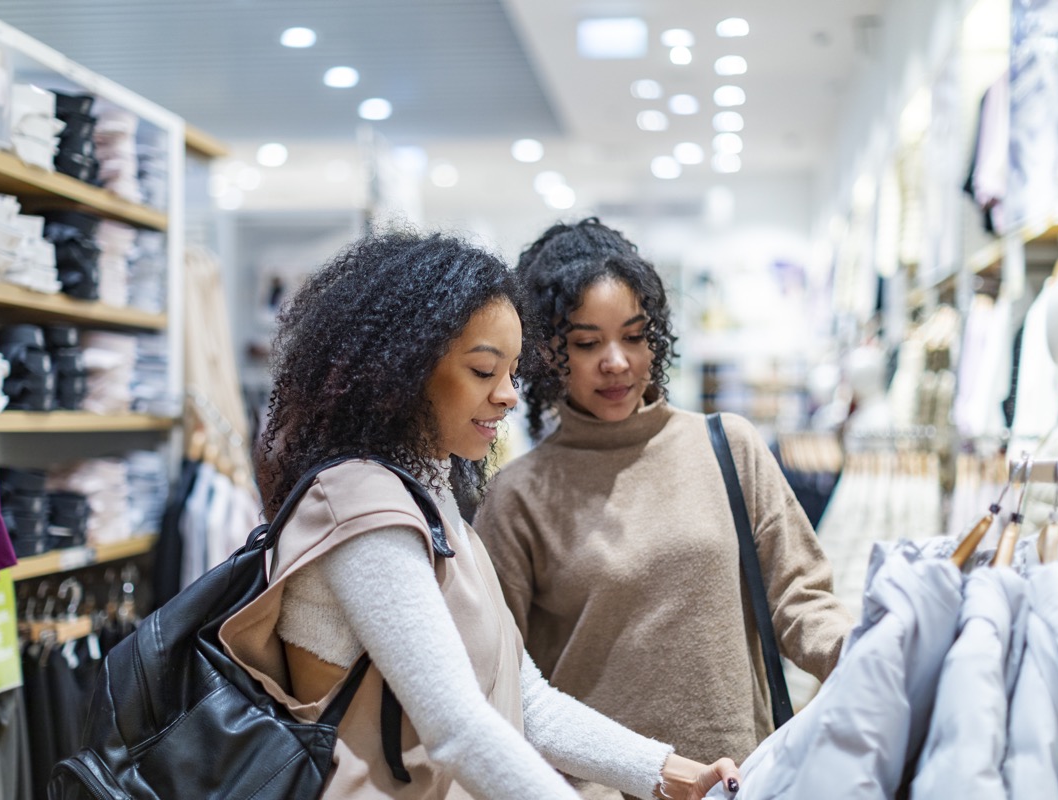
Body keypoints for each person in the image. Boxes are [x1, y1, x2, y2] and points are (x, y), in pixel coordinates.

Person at [219, 228, 741, 800]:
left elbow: (525, 697)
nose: (509, 395)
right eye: (483, 370)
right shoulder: (362, 510)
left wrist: (668, 773)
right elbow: (458, 730)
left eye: (513, 372)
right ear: (404, 369)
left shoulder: (430, 498)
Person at [473, 219, 855, 792]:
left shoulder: (727, 445)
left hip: (740, 781)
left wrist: (864, 653)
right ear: (548, 353)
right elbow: (502, 678)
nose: (617, 362)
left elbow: (800, 597)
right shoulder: (520, 495)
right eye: (586, 343)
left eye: (633, 335)